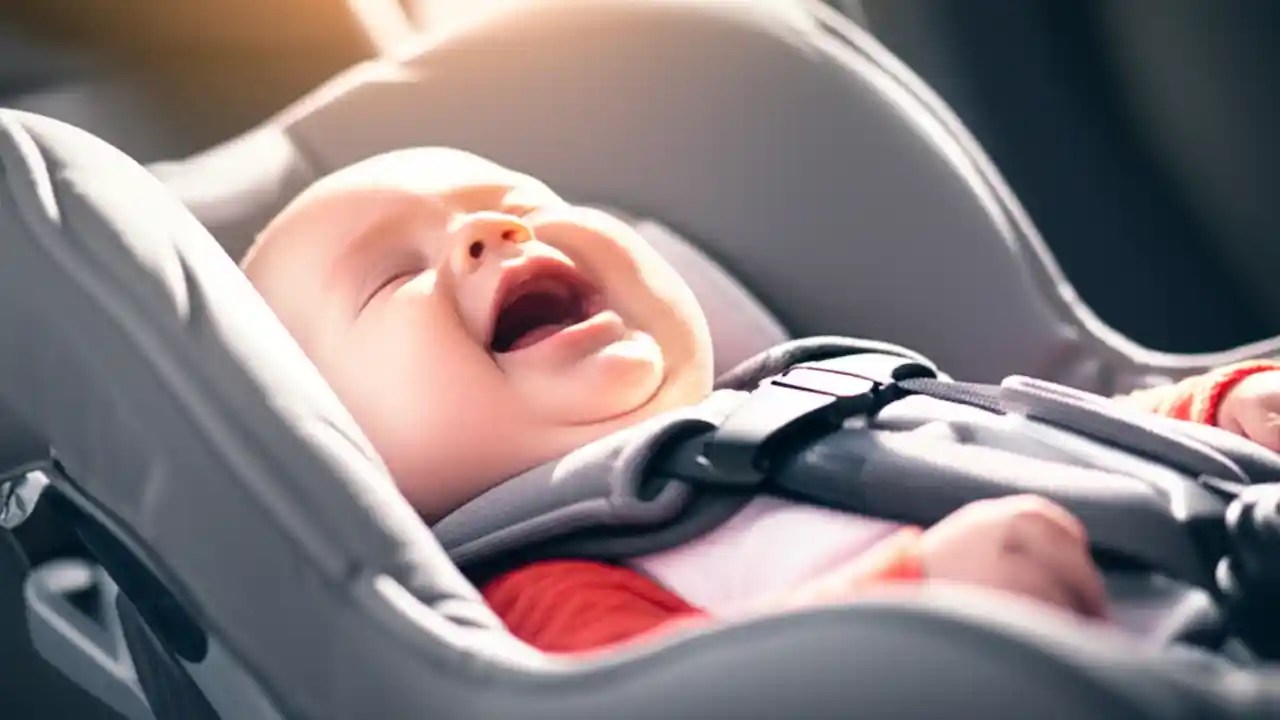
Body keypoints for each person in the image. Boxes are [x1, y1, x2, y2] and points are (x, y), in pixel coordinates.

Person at [242, 147, 1280, 655]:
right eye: (388, 280)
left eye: (525, 209)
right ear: (341, 450)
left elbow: (1027, 442)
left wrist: (1209, 413)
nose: (493, 236)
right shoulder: (537, 589)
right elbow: (695, 701)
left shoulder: (815, 394)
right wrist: (919, 600)